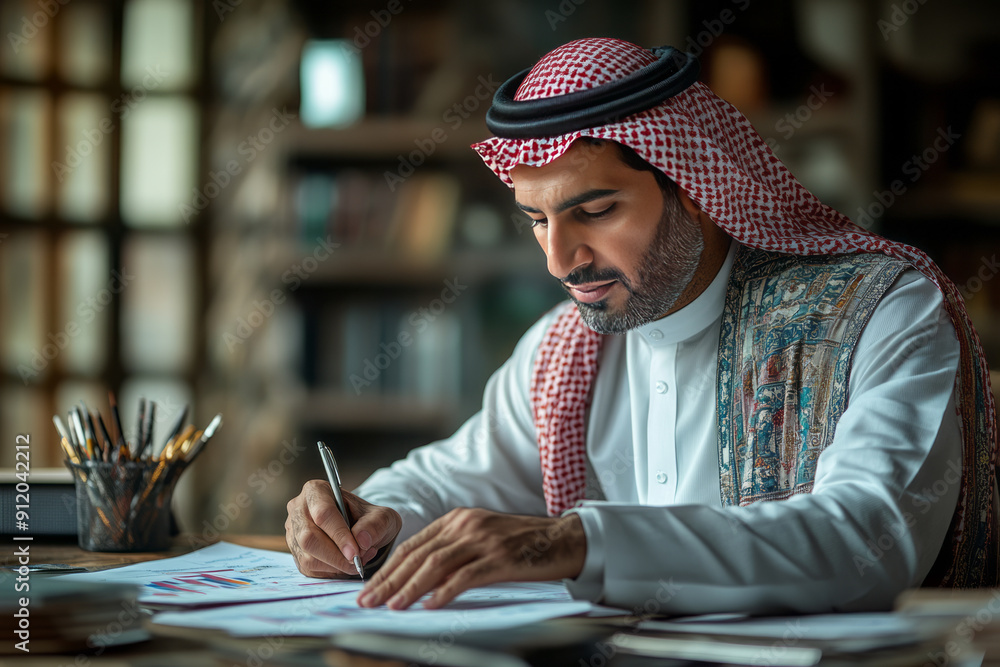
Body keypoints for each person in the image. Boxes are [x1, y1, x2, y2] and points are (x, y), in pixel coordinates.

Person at [285, 38, 998, 615]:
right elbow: (447, 480)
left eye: (594, 212)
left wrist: (579, 542)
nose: (560, 258)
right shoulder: (565, 351)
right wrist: (368, 519)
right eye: (537, 220)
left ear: (695, 189)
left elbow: (866, 540)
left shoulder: (883, 312)